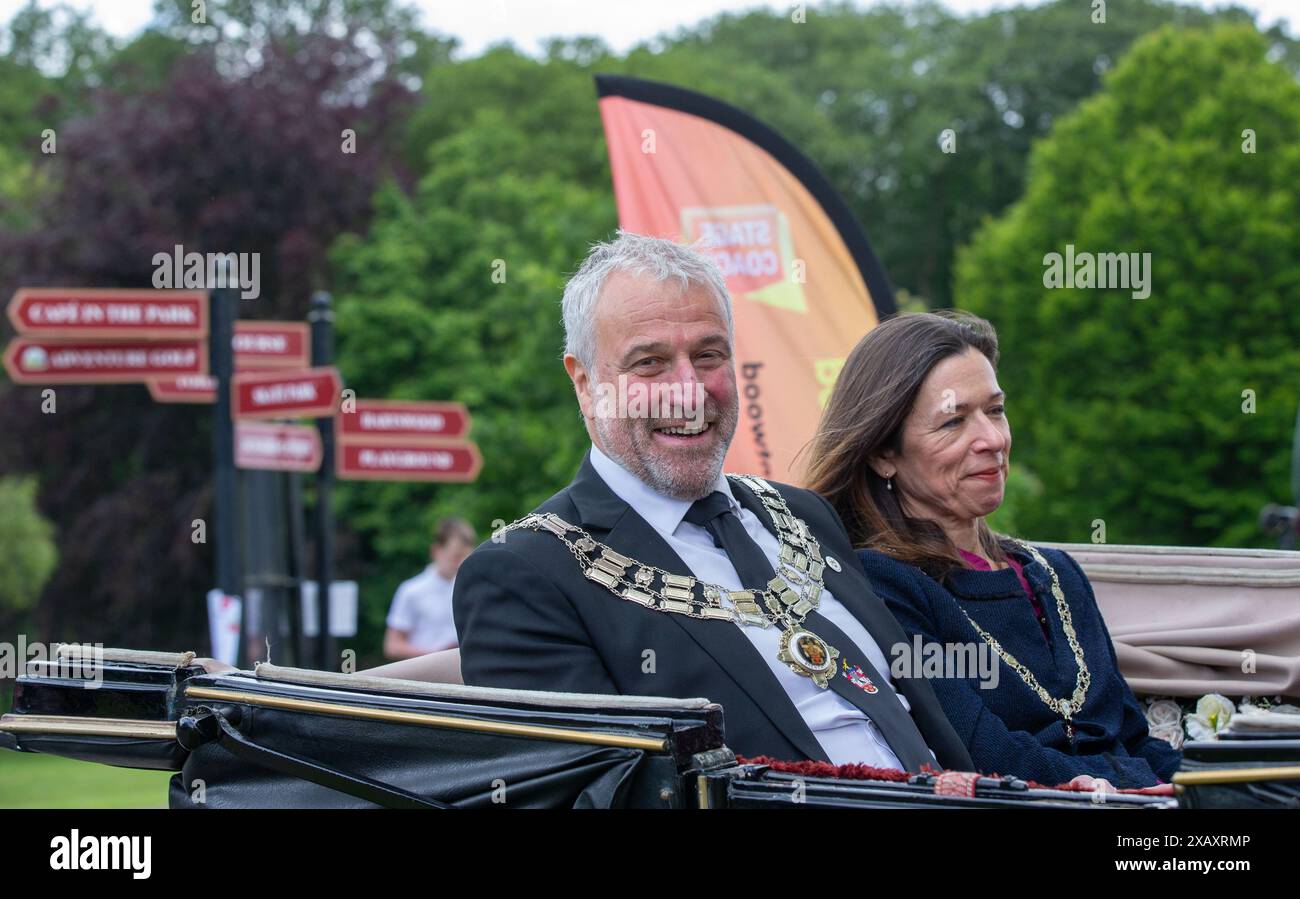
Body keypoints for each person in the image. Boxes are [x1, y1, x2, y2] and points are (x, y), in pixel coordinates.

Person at [428, 231, 972, 772]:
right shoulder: (526, 574)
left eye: (709, 355)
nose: (688, 390)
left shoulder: (805, 514)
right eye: (650, 363)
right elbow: (583, 792)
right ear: (586, 383)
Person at [804, 310, 1182, 789]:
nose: (993, 439)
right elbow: (981, 750)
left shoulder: (1057, 573)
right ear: (883, 453)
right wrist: (1126, 789)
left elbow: (1132, 738)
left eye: (996, 410)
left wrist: (1218, 785)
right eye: (954, 421)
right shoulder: (883, 585)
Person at [382, 518, 476, 660]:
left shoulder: (473, 589)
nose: (460, 563)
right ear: (436, 551)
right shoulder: (411, 590)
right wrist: (435, 655)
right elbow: (392, 646)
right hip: (423, 675)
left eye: (466, 557)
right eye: (456, 556)